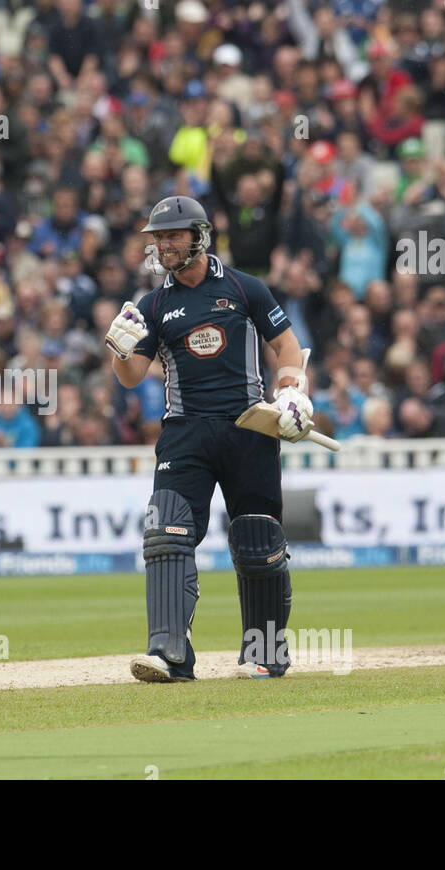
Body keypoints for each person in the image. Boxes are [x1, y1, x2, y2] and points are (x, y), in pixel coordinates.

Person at [105, 195, 314, 682]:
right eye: (157, 238)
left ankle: (264, 655)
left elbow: (285, 346)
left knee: (257, 539)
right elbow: (132, 377)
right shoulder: (155, 303)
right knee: (166, 534)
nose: (162, 246)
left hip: (250, 427)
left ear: (200, 236)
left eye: (172, 236)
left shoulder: (246, 288)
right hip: (185, 432)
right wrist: (119, 350)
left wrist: (291, 392)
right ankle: (170, 655)